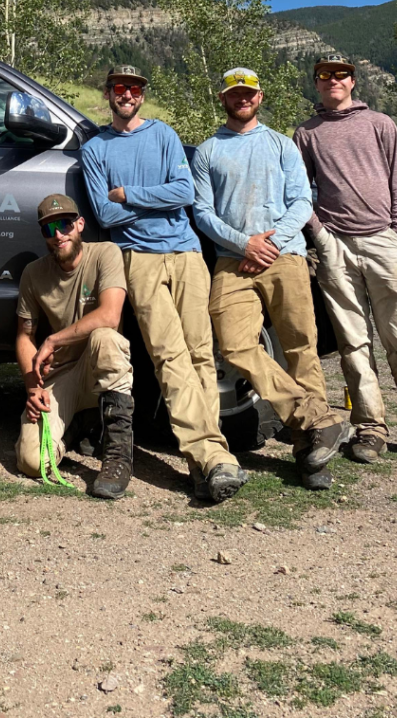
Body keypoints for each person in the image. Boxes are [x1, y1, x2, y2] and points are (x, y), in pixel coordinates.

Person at [82, 65, 248, 503]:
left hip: (188, 254)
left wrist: (129, 194)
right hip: (139, 259)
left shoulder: (164, 135)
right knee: (169, 356)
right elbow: (104, 215)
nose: (128, 94)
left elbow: (184, 193)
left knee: (201, 356)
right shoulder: (95, 148)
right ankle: (215, 458)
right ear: (108, 94)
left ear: (141, 94)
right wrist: (150, 198)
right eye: (120, 87)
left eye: (135, 88)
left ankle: (204, 463)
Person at [191, 67, 352, 490]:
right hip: (233, 262)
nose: (241, 99)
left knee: (302, 349)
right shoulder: (207, 152)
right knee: (235, 345)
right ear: (223, 99)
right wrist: (245, 244)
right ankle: (318, 419)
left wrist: (272, 243)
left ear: (259, 97)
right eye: (234, 93)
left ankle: (309, 455)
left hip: (285, 257)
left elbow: (303, 200)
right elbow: (203, 213)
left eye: (248, 93)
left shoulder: (282, 145)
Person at [293, 54, 397, 465]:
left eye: (341, 74)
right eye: (325, 75)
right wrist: (319, 234)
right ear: (316, 84)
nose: (333, 80)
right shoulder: (307, 133)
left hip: (382, 240)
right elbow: (299, 188)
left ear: (353, 81)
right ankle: (370, 428)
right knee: (353, 343)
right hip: (336, 247)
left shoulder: (380, 124)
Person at [15, 194, 135, 499]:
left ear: (79, 225)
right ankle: (82, 424)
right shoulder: (34, 273)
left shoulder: (105, 254)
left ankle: (117, 457)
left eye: (65, 224)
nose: (58, 235)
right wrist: (32, 388)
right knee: (33, 462)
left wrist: (54, 339)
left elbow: (110, 314)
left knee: (105, 336)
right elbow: (24, 336)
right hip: (64, 374)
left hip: (103, 370)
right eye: (48, 229)